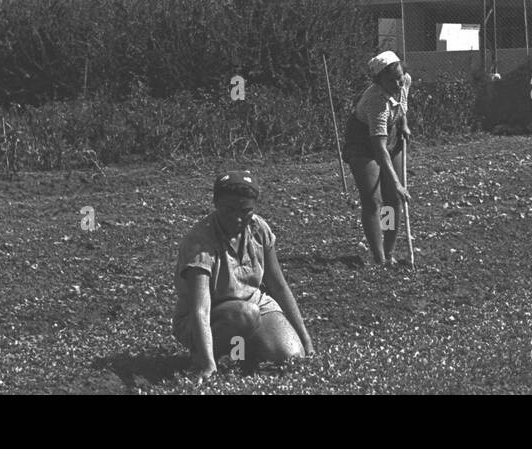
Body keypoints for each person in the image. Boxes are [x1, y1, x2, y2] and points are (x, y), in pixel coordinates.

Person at [173, 170, 314, 380]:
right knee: (244, 314)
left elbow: (279, 286)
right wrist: (207, 365)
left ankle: (246, 349)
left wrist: (307, 342)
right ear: (215, 203)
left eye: (245, 210)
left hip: (254, 304)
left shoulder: (259, 229)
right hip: (210, 316)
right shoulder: (200, 242)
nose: (237, 218)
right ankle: (205, 355)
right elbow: (200, 309)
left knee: (291, 355)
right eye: (229, 209)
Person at [342, 50, 412, 265]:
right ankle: (379, 257)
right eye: (391, 80)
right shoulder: (376, 102)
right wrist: (399, 183)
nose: (398, 83)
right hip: (363, 143)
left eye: (399, 76)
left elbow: (402, 105)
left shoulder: (405, 82)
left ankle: (389, 253)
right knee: (374, 200)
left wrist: (404, 125)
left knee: (392, 201)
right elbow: (379, 150)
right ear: (379, 81)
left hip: (389, 136)